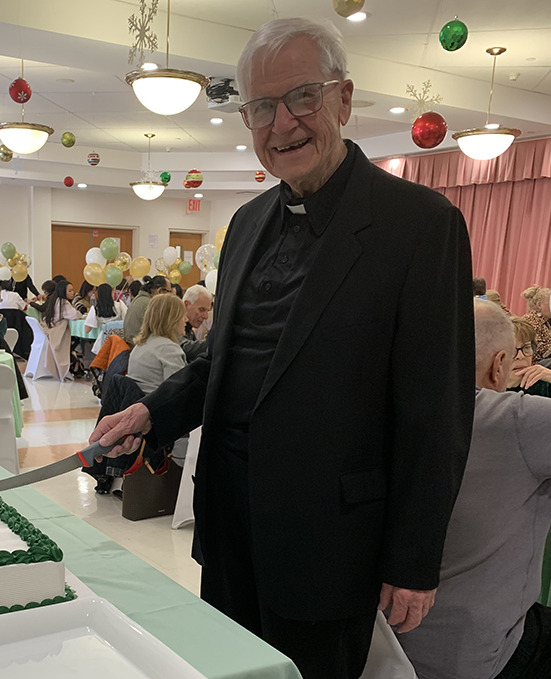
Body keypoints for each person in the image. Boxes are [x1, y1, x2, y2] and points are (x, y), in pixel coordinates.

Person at [89, 17, 474, 679]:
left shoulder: (421, 225)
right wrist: (153, 412)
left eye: (302, 97)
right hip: (229, 527)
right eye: (261, 108)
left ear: (344, 99)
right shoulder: (245, 224)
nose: (282, 124)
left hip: (330, 541)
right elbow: (224, 362)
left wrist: (413, 561)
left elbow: (435, 409)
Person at [399, 300, 551, 679]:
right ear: (500, 364)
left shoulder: (387, 411)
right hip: (477, 653)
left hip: (381, 645)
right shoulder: (517, 420)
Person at [40, 279, 82, 381]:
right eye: (70, 291)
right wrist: (81, 313)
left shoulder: (55, 300)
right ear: (63, 291)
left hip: (48, 328)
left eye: (73, 290)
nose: (73, 293)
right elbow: (74, 315)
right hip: (55, 332)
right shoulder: (63, 303)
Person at [507, 317, 551, 397]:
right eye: (511, 349)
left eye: (526, 347)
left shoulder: (544, 384)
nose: (520, 356)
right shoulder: (482, 393)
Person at [122, 276, 172, 347]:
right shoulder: (151, 306)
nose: (171, 296)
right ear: (160, 291)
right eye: (169, 292)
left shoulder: (138, 299)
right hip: (141, 349)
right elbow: (161, 334)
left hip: (132, 348)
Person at [85, 283, 128, 353]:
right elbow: (127, 320)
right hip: (120, 339)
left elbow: (87, 329)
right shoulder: (120, 305)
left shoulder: (95, 309)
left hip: (104, 341)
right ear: (111, 293)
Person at [179, 284, 212, 362]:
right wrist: (216, 342)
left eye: (207, 311)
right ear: (186, 305)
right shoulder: (172, 322)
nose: (206, 316)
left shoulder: (189, 328)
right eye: (201, 309)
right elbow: (183, 348)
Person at [521, 285, 551, 362]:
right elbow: (536, 349)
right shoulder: (531, 321)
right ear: (539, 305)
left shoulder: (544, 322)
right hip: (535, 365)